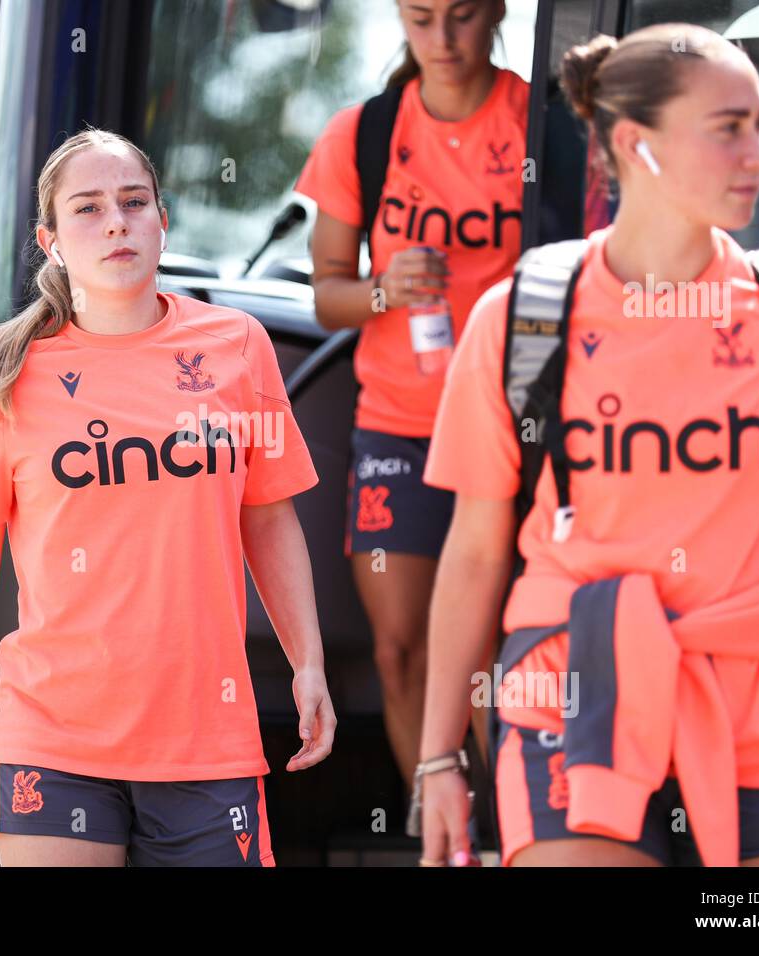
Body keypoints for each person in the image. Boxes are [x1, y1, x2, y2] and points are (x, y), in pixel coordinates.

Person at [417, 24, 759, 867]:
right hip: (568, 691)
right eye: (729, 127)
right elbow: (476, 555)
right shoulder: (521, 317)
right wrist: (440, 756)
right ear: (635, 144)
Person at [0, 129, 337, 867]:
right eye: (88, 208)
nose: (116, 222)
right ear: (51, 241)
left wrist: (308, 662)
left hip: (206, 741)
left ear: (162, 220)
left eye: (134, 202)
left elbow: (267, 516)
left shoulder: (238, 346)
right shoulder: (2, 371)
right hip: (52, 734)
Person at [293, 0, 527, 790]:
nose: (443, 40)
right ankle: (444, 835)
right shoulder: (362, 133)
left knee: (501, 647)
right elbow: (329, 296)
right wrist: (385, 292)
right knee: (400, 649)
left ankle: (515, 834)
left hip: (510, 425)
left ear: (495, 13)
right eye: (421, 18)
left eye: (461, 16)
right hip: (398, 424)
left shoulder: (542, 123)